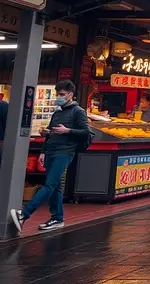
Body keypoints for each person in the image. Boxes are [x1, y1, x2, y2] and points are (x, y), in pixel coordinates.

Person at [10, 80, 88, 233]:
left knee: (50, 184)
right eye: (57, 94)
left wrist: (67, 131)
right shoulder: (57, 112)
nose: (58, 97)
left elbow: (85, 132)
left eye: (62, 94)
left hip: (64, 152)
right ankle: (57, 218)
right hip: (51, 151)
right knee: (56, 185)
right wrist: (44, 149)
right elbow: (52, 133)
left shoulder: (78, 111)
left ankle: (24, 214)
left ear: (70, 94)